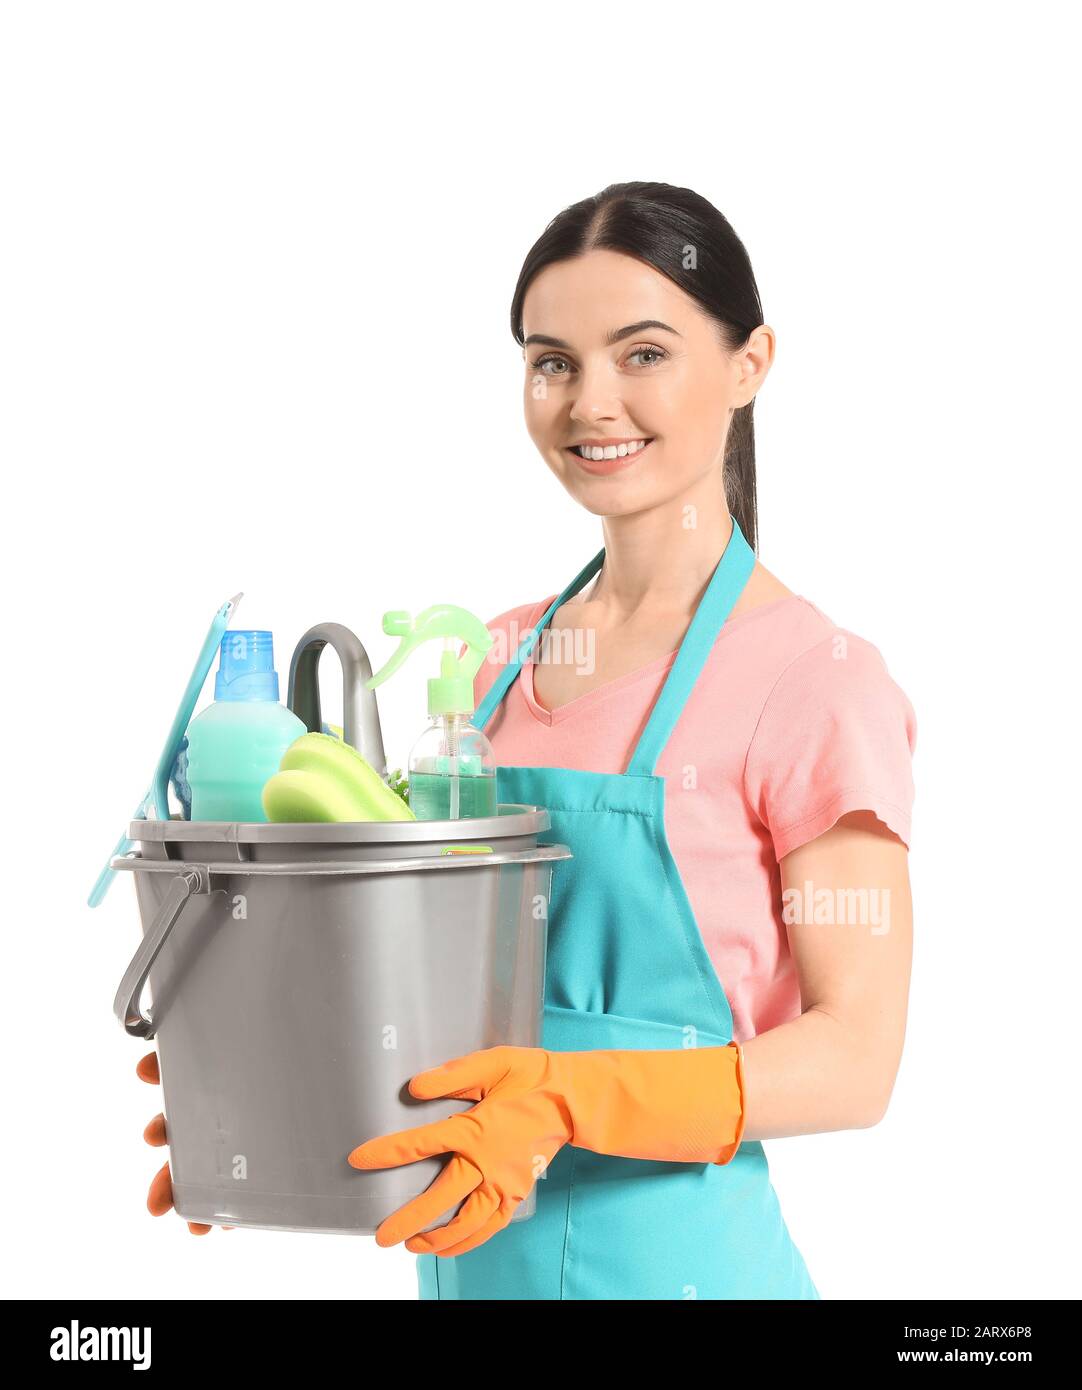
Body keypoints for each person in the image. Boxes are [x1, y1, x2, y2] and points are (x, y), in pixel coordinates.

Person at [139, 181, 917, 1301]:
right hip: (471, 1266)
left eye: (641, 353)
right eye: (552, 361)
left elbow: (856, 1059)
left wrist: (566, 1096)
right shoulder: (498, 658)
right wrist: (279, 1077)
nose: (590, 401)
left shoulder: (813, 681)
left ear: (749, 364)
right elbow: (426, 973)